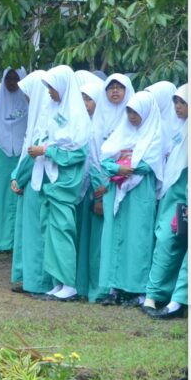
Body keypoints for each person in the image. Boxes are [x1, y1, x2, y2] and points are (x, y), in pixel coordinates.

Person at [30, 65, 91, 301]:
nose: (49, 93)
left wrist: (46, 150)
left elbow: (77, 153)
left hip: (65, 184)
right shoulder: (57, 113)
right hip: (51, 182)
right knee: (51, 231)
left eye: (52, 88)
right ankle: (57, 282)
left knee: (63, 231)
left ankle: (69, 284)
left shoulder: (77, 117)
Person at [98, 90, 164, 306]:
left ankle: (136, 289)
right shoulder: (123, 131)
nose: (131, 116)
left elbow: (149, 164)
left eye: (135, 112)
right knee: (114, 237)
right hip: (117, 189)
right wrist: (118, 167)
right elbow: (104, 157)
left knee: (137, 239)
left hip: (139, 192)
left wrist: (127, 167)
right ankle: (114, 287)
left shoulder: (154, 134)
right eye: (129, 111)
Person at [144, 85, 188, 317]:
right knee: (165, 242)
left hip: (184, 197)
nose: (178, 107)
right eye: (176, 102)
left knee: (173, 244)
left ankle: (175, 299)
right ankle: (154, 295)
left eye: (182, 102)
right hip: (171, 196)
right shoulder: (179, 127)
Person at [10, 70, 54, 295]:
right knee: (28, 233)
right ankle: (28, 278)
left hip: (41, 182)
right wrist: (16, 177)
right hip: (30, 182)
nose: (26, 98)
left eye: (28, 93)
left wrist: (19, 176)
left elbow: (33, 152)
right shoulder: (36, 116)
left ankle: (38, 282)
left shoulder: (46, 118)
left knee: (38, 233)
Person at [0, 68, 27, 252]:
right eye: (8, 78)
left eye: (16, 78)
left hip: (23, 156)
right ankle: (1, 241)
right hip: (1, 156)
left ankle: (18, 241)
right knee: (0, 198)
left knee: (20, 196)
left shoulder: (29, 104)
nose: (11, 82)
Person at [75, 74, 108, 303]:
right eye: (82, 99)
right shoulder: (83, 124)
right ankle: (83, 286)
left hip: (102, 190)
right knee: (84, 241)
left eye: (89, 99)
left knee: (98, 244)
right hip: (86, 189)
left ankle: (98, 289)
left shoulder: (105, 126)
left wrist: (100, 188)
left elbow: (100, 159)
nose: (85, 105)